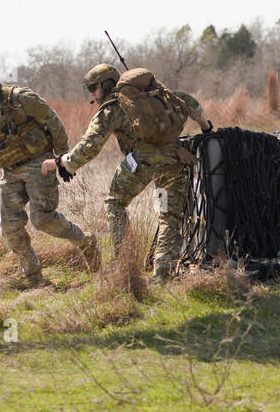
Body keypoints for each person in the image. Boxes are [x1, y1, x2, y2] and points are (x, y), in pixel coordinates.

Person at [41, 63, 212, 282]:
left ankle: (125, 262)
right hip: (174, 160)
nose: (92, 94)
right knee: (169, 214)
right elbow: (189, 102)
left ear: (107, 84)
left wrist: (60, 163)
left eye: (94, 88)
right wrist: (206, 127)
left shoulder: (112, 108)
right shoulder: (157, 94)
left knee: (115, 203)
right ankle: (163, 272)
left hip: (141, 163)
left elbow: (89, 147)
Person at [0, 70, 99, 281]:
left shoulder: (21, 99)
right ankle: (32, 273)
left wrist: (62, 160)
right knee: (9, 226)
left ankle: (85, 242)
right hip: (10, 171)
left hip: (38, 163)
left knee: (42, 219)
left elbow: (53, 122)